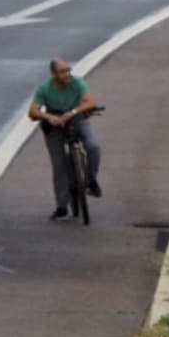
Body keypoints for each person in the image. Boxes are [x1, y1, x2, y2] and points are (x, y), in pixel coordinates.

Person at [30, 57, 102, 223]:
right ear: (54, 74)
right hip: (54, 123)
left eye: (68, 70)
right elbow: (32, 112)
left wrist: (73, 111)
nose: (67, 74)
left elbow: (91, 101)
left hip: (76, 118)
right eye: (62, 71)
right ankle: (62, 207)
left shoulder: (77, 82)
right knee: (59, 165)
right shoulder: (45, 88)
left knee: (93, 146)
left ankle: (91, 181)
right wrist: (48, 116)